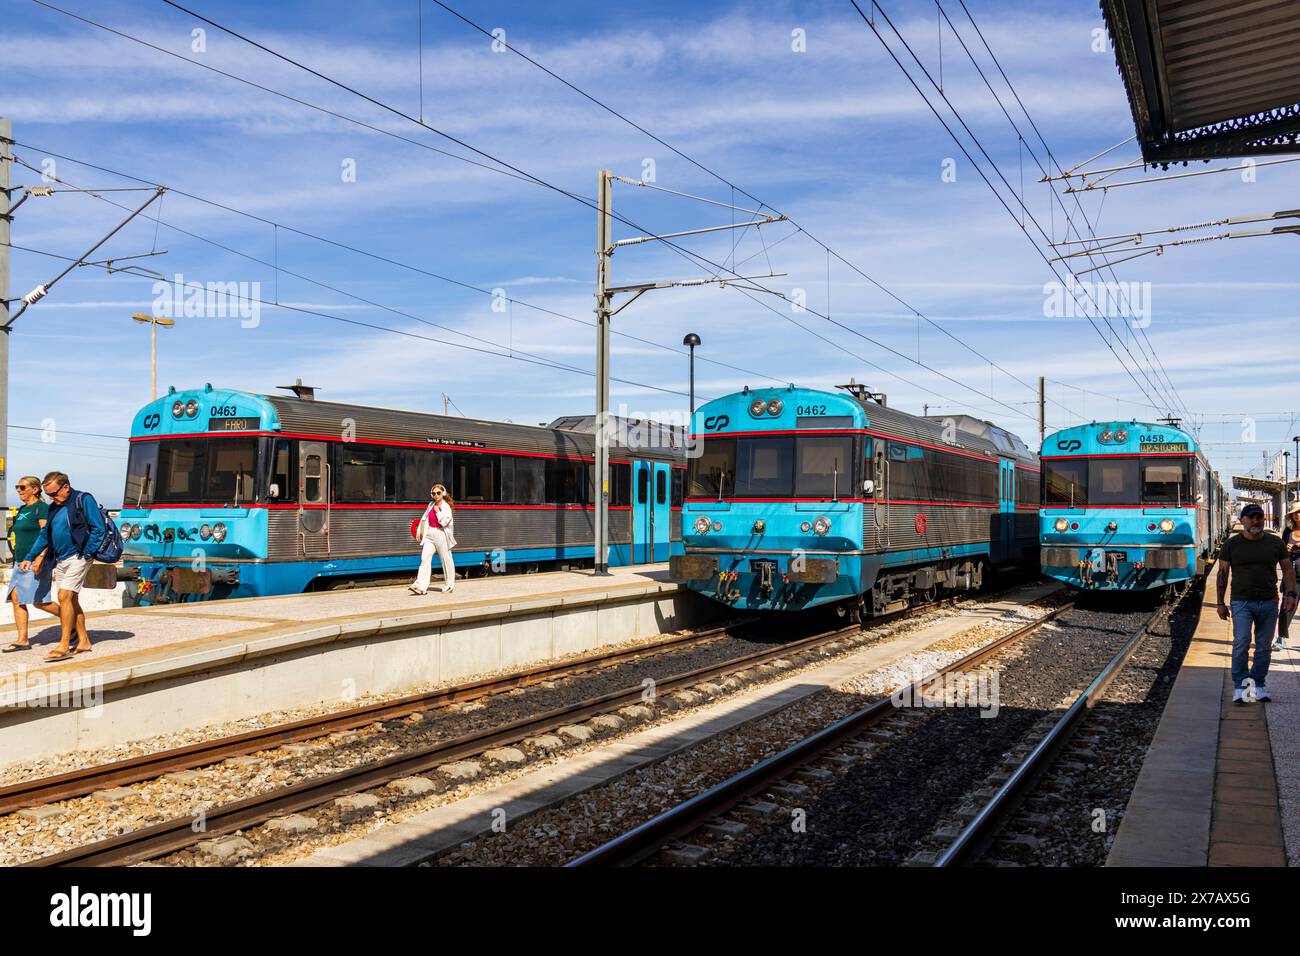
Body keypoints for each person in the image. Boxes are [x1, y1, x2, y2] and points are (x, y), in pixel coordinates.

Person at [18, 472, 105, 661]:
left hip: (79, 555)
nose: (52, 498)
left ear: (66, 487)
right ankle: (83, 641)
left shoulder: (83, 499)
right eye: (49, 495)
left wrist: (87, 552)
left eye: (55, 493)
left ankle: (64, 644)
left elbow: (99, 528)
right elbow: (44, 535)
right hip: (61, 558)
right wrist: (30, 556)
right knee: (71, 600)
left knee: (64, 596)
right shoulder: (53, 508)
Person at [1216, 502, 1296, 702]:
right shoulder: (1231, 544)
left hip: (1269, 602)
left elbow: (1287, 569)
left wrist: (1291, 594)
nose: (1255, 521)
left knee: (1264, 647)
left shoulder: (1274, 543)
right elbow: (1223, 573)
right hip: (1241, 602)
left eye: (1258, 517)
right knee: (1241, 643)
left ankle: (1258, 685)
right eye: (1251, 517)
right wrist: (1220, 602)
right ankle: (1241, 687)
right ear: (1242, 520)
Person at [2, 477, 52, 652]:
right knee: (17, 599)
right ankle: (22, 639)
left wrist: (39, 558)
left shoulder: (42, 508)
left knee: (40, 602)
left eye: (22, 487)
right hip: (20, 561)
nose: (19, 490)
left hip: (35, 561)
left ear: (36, 489)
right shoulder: (23, 509)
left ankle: (72, 620)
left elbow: (46, 534)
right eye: (17, 487)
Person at [410, 484, 457, 595]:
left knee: (446, 561)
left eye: (438, 493)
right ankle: (420, 586)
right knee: (424, 558)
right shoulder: (431, 504)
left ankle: (449, 585)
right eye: (433, 493)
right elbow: (424, 518)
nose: (435, 495)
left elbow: (444, 522)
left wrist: (437, 511)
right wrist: (419, 531)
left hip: (441, 535)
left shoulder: (446, 507)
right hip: (430, 535)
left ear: (443, 493)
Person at [1279, 502, 1300, 651]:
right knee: (1287, 606)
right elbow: (1281, 553)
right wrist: (1287, 550)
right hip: (1292, 576)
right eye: (1295, 512)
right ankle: (1280, 638)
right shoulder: (1287, 532)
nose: (1298, 515)